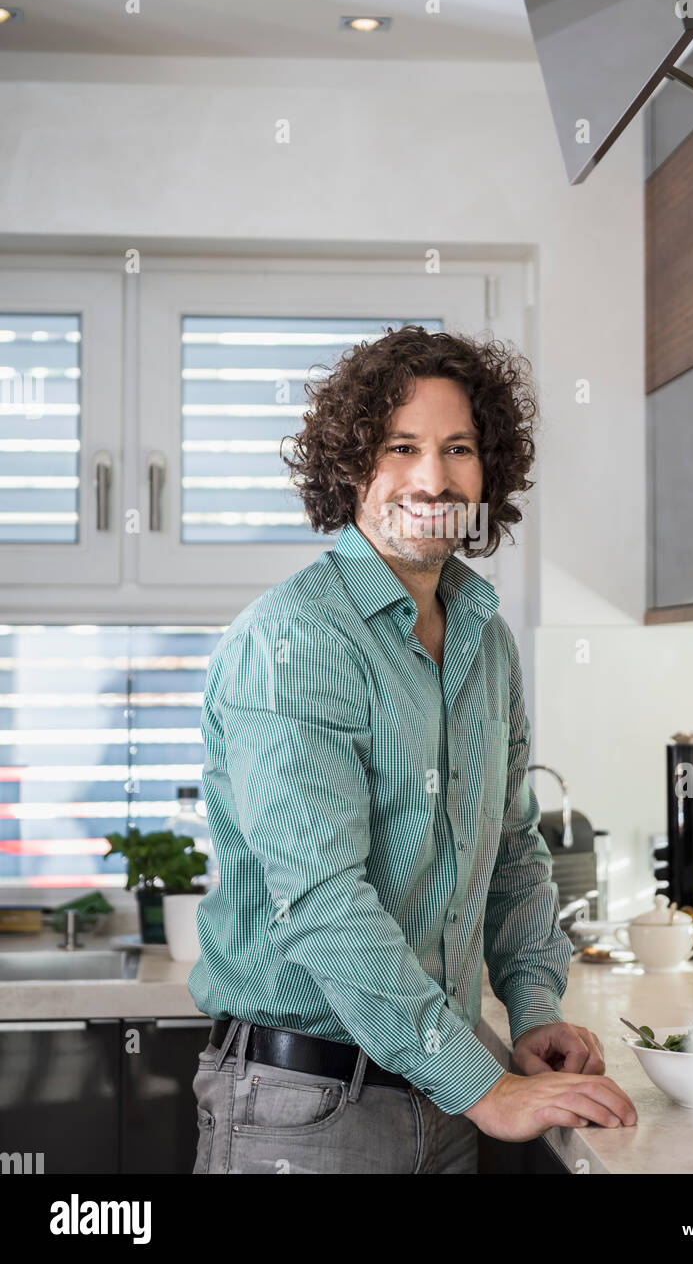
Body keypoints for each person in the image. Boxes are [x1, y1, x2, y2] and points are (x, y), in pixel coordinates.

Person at [188, 324, 637, 1174]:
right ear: (350, 466)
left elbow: (510, 850)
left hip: (441, 1095)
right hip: (308, 1111)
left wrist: (534, 1011)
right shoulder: (295, 640)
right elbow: (322, 899)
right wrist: (482, 1085)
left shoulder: (482, 635)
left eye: (458, 448)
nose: (432, 478)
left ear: (487, 471)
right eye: (401, 447)